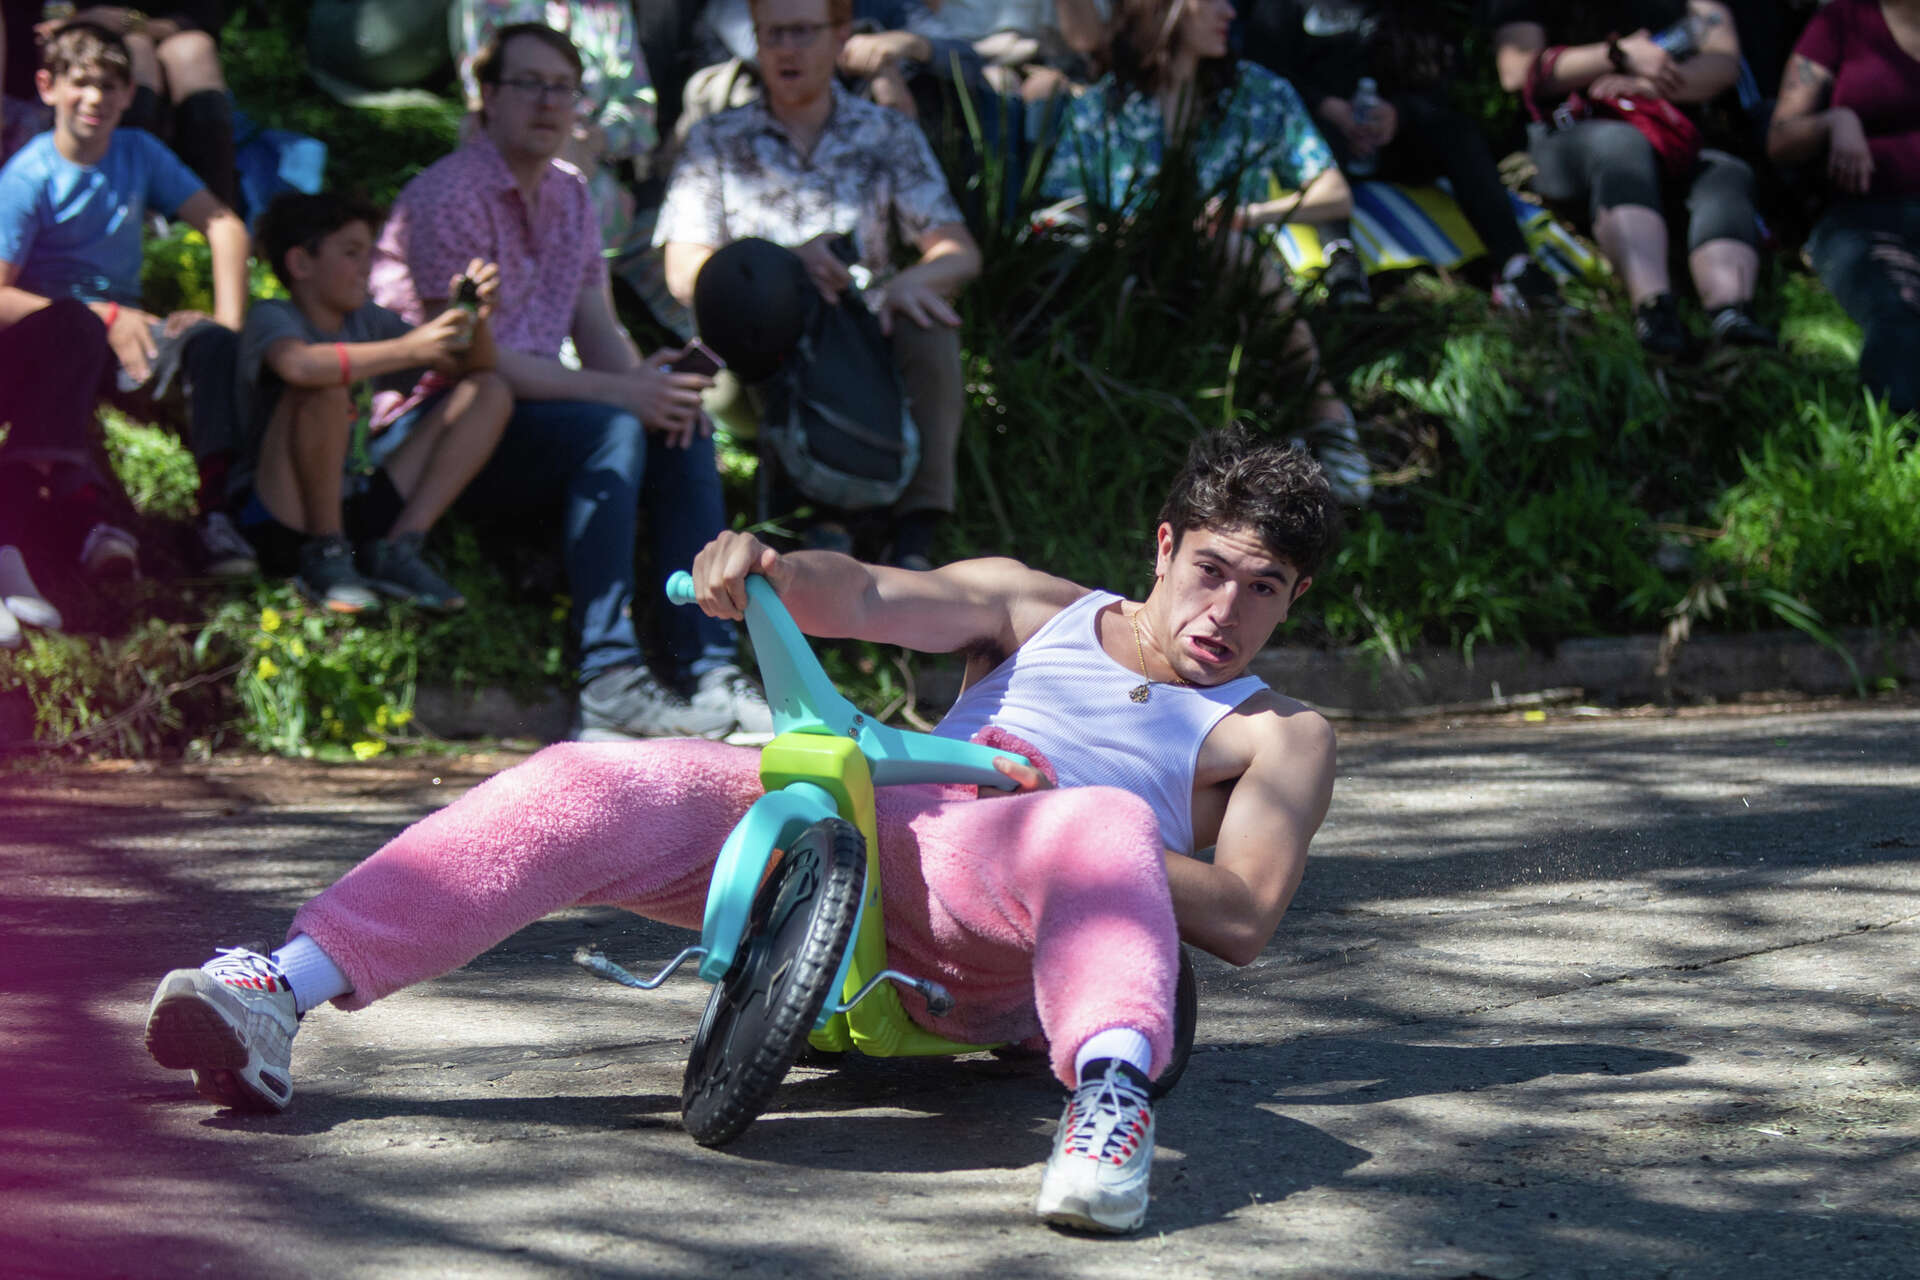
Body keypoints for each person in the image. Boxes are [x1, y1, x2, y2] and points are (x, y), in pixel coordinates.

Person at [140, 425, 1342, 1236]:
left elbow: (1240, 914)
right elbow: (865, 594)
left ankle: (1110, 1109)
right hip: (861, 828)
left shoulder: (1278, 731)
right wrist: (764, 564)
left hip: (1008, 908)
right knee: (596, 778)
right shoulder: (1039, 608)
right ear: (1166, 548)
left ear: (1295, 599)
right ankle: (276, 988)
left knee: (1097, 821)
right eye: (1216, 570)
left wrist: (1074, 818)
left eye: (1267, 588)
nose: (1226, 612)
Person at [368, 22, 769, 741]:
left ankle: (707, 666)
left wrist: (653, 387)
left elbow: (595, 328)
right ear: (485, 96)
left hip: (540, 412)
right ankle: (610, 679)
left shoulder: (571, 194)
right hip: (440, 421)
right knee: (611, 426)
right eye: (529, 84)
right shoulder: (446, 195)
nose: (550, 103)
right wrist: (622, 397)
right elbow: (466, 358)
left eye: (564, 88)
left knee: (683, 423)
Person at [656, 0, 982, 569]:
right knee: (754, 319)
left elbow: (958, 251)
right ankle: (805, 515)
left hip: (857, 330)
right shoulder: (716, 137)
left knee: (931, 320)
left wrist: (912, 281)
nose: (786, 48)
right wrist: (780, 271)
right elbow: (684, 272)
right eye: (771, 34)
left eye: (803, 31)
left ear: (840, 37)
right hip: (754, 342)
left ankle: (916, 533)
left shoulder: (885, 132)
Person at [1037, 0, 1373, 505]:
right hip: (1125, 271)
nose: (1229, 11)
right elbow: (1061, 208)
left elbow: (1332, 192)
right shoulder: (1104, 105)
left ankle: (1326, 415)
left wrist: (1244, 214)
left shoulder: (1258, 93)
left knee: (1229, 250)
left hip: (1232, 265)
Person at [0, 20, 252, 578]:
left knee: (212, 347)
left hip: (133, 331)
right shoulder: (27, 177)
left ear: (129, 95)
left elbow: (224, 226)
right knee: (76, 349)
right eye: (82, 82)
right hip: (61, 336)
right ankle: (88, 525)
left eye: (111, 85)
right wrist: (102, 318)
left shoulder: (137, 150)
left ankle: (218, 516)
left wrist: (227, 324)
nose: (96, 98)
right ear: (48, 86)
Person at [233, 192, 514, 614]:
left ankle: (397, 548)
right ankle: (324, 552)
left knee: (489, 391)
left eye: (370, 252)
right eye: (351, 252)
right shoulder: (272, 316)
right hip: (281, 511)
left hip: (356, 498)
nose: (368, 266)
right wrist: (410, 349)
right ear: (300, 264)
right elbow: (301, 366)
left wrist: (473, 319)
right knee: (327, 384)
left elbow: (474, 364)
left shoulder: (367, 319)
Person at [1485, 0, 1778, 356]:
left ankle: (1732, 314)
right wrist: (1617, 55)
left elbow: (1723, 60)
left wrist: (1647, 86)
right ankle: (1654, 310)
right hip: (1570, 136)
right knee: (1621, 146)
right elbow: (1516, 70)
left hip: (1665, 130)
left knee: (1725, 174)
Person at [1242, 0, 1565, 313]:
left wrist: (1399, 114)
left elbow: (1441, 86)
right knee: (1319, 139)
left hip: (1393, 143)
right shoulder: (1283, 7)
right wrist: (1323, 105)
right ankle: (1342, 261)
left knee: (1458, 132)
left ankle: (1518, 264)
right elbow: (1261, 74)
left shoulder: (1409, 9)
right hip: (1317, 139)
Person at [1766, 0, 1920, 416]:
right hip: (1861, 218)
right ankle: (1901, 443)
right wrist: (1835, 122)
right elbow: (1780, 139)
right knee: (1898, 311)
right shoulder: (1842, 20)